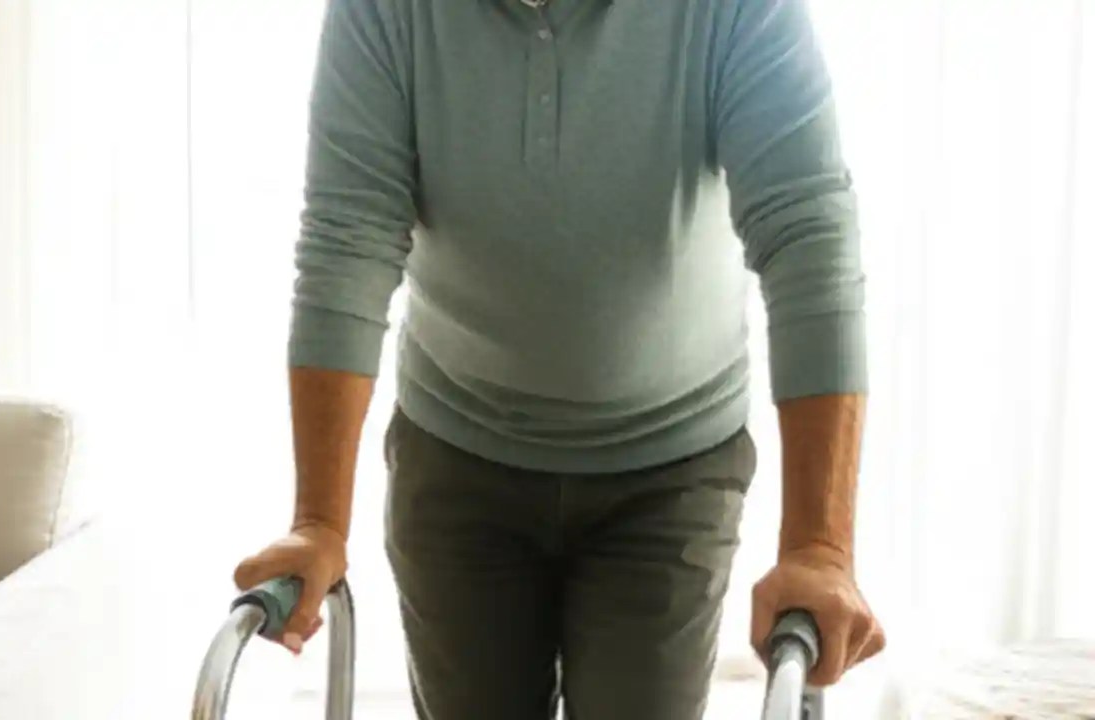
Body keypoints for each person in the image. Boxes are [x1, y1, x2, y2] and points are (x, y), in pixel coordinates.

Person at [233, 0, 885, 717]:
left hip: (669, 468)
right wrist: (318, 521)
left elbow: (808, 241)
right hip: (458, 452)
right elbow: (346, 242)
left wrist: (820, 547)